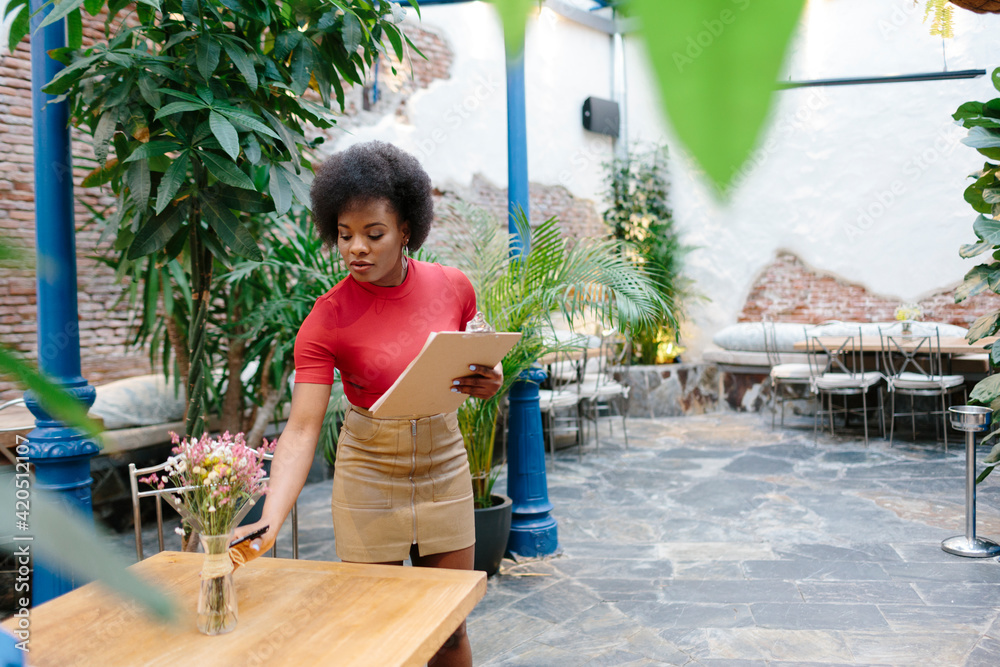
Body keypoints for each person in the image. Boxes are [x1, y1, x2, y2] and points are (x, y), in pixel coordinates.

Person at [233, 141, 502, 667]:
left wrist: (487, 381)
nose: (356, 247)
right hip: (369, 474)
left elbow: (476, 366)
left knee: (448, 629)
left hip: (443, 464)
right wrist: (270, 516)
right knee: (377, 633)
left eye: (373, 233)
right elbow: (303, 428)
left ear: (407, 230)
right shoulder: (326, 317)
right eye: (344, 234)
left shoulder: (454, 288)